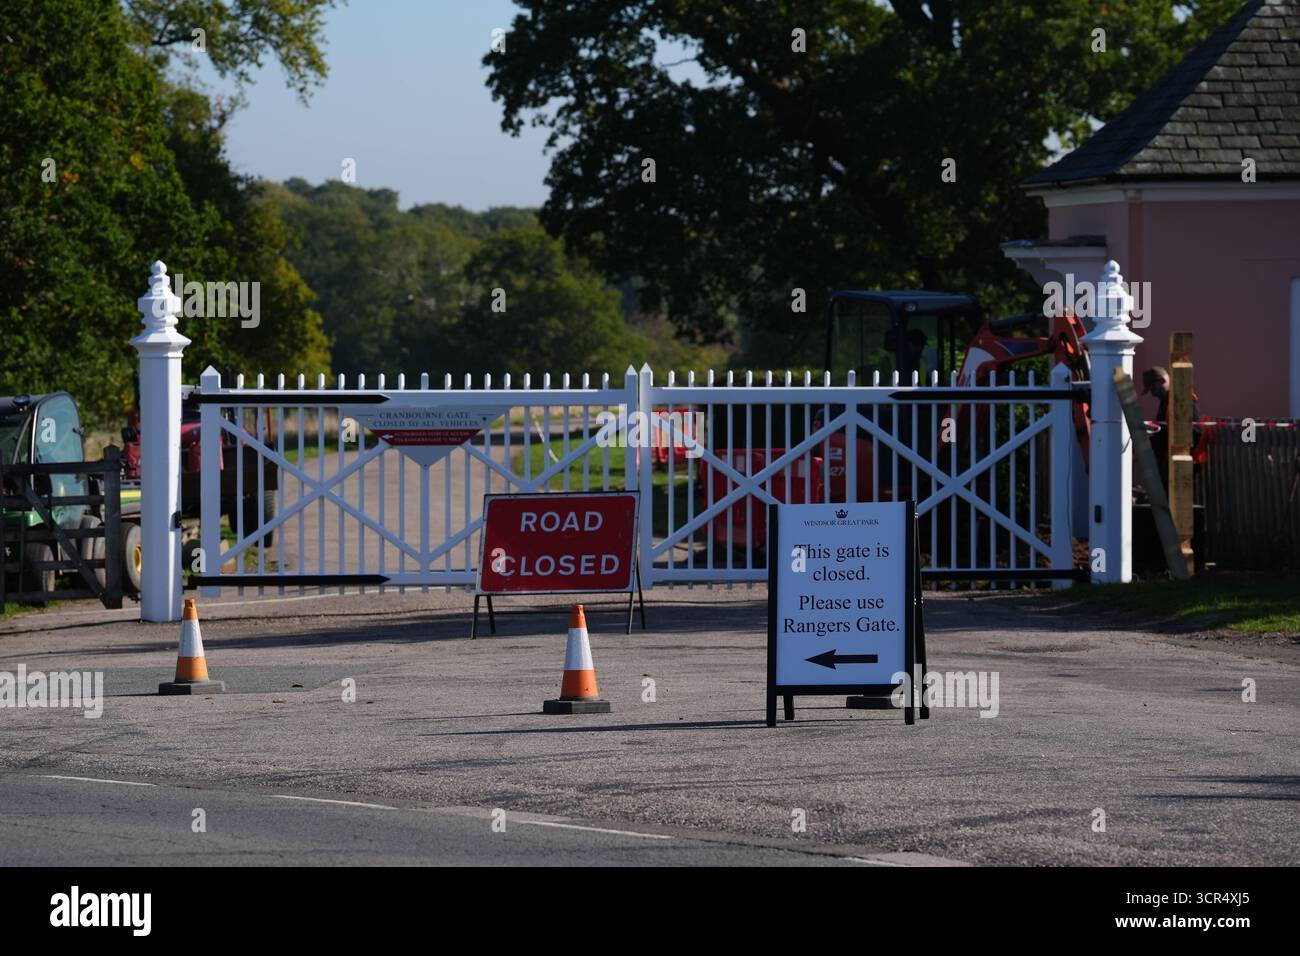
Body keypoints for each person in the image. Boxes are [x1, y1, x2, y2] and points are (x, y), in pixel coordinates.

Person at [1142, 366, 1201, 490]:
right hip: (1169, 461)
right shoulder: (1166, 401)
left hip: (1179, 463)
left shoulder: (1182, 399)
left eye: (1153, 388)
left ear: (1163, 381)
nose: (1153, 394)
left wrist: (1181, 455)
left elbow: (1196, 431)